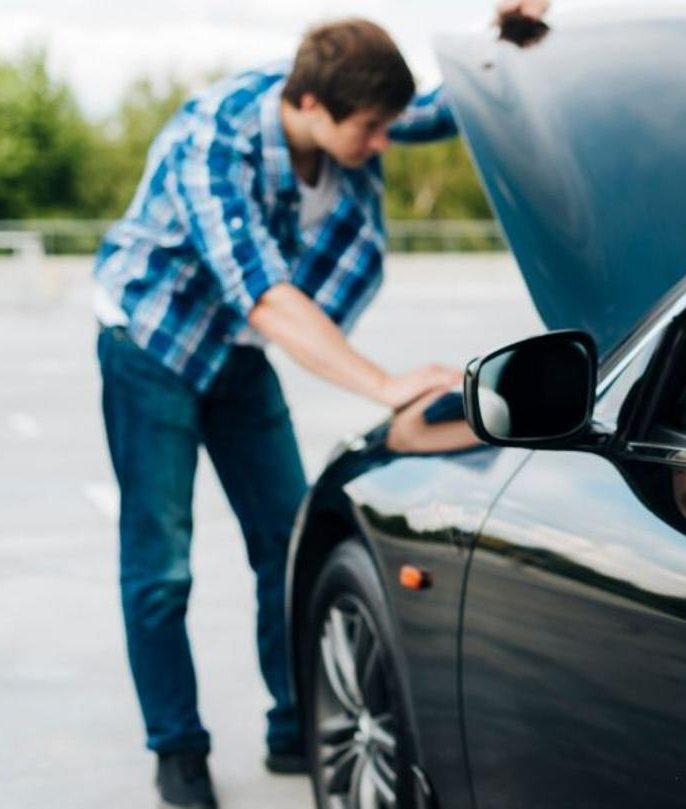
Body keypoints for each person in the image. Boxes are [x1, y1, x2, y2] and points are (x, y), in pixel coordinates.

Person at [93, 4, 548, 807]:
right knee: (160, 566)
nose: (381, 145)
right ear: (311, 106)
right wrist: (382, 384)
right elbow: (265, 298)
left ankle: (291, 723)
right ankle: (178, 747)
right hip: (151, 345)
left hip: (234, 349)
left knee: (283, 539)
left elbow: (443, 109)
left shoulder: (342, 113)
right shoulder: (216, 139)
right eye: (370, 130)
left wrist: (506, 32)